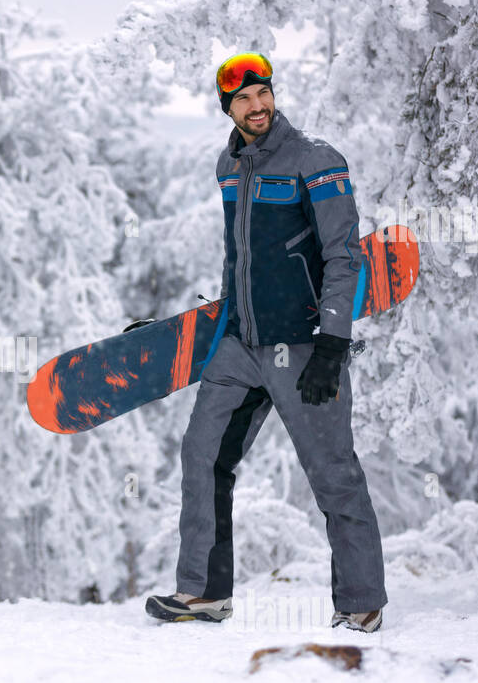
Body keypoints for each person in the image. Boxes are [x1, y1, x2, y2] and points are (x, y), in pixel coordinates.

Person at [144, 52, 387, 632]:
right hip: (241, 345)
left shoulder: (317, 161)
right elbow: (242, 254)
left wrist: (333, 343)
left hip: (304, 346)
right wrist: (227, 314)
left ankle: (361, 603)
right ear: (227, 108)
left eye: (263, 94)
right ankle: (204, 594)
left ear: (273, 95)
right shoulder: (228, 168)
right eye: (242, 99)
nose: (256, 106)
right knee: (203, 456)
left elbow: (343, 256)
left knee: (333, 473)